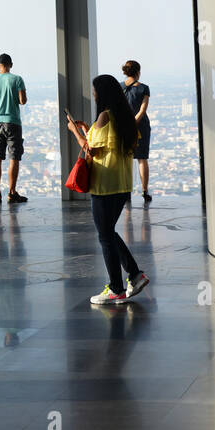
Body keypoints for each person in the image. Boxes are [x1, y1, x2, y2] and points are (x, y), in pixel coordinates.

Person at [67, 74, 149, 304]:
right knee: (108, 232)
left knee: (105, 236)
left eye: (94, 91)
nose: (93, 95)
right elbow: (105, 144)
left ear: (101, 93)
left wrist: (74, 130)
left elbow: (90, 149)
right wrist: (87, 129)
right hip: (122, 184)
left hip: (104, 184)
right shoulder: (124, 116)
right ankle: (135, 275)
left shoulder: (104, 116)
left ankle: (117, 288)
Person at [0, 52, 27, 204]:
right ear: (11, 65)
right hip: (13, 122)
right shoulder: (17, 79)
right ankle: (12, 192)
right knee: (14, 157)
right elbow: (22, 101)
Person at [122, 60, 152, 204]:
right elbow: (142, 110)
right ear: (138, 72)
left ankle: (127, 191)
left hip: (123, 126)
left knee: (126, 159)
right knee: (142, 159)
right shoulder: (144, 88)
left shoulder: (120, 87)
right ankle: (145, 191)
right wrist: (134, 123)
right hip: (141, 126)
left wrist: (127, 124)